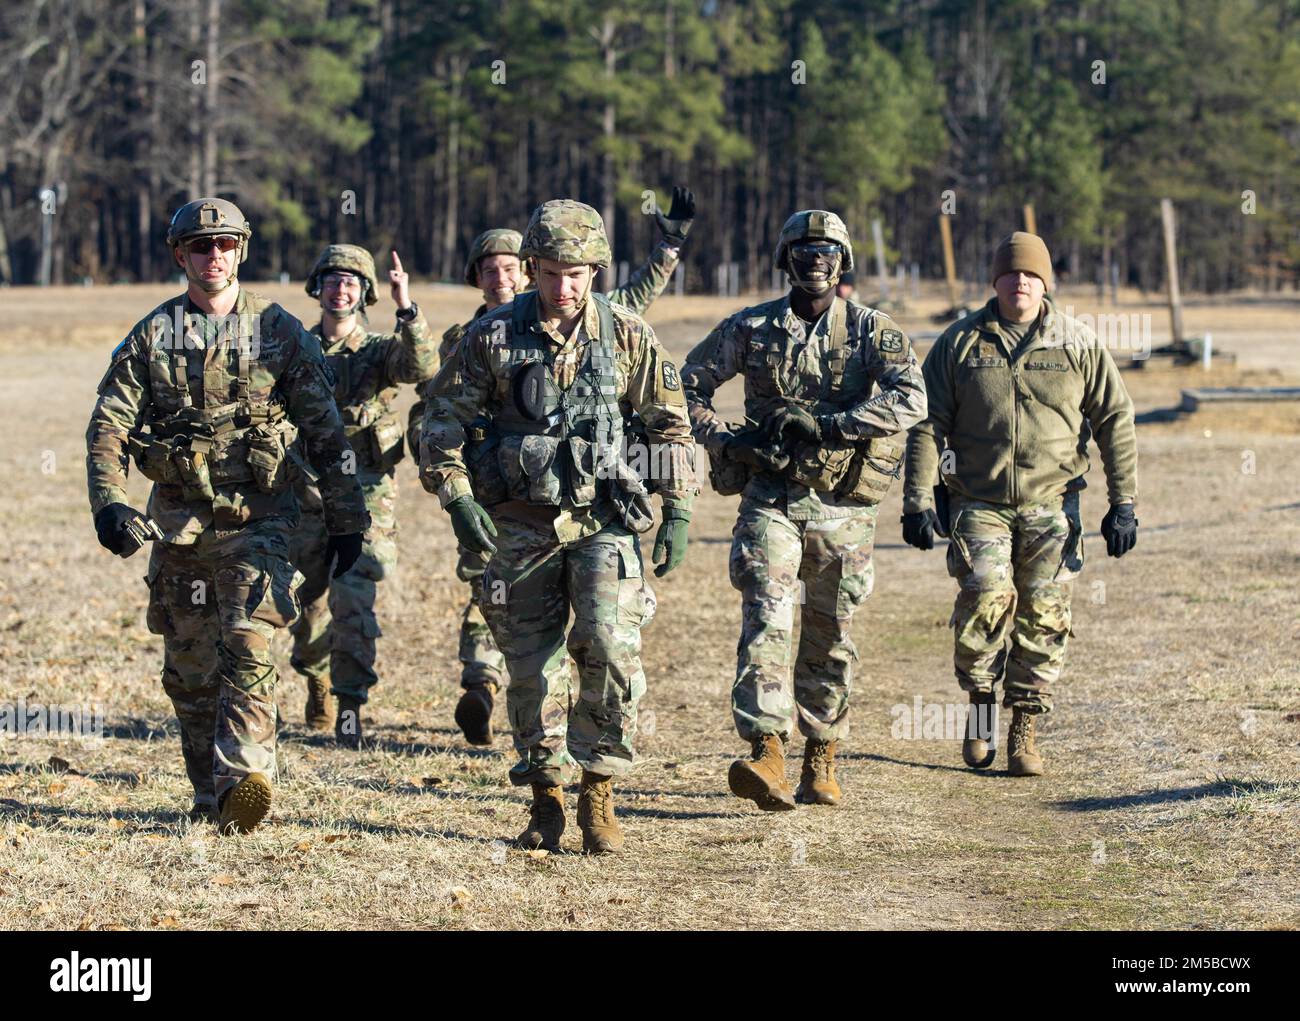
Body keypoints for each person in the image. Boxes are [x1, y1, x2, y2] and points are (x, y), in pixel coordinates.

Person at [420, 199, 697, 854]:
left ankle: (599, 786)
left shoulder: (627, 334)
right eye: (550, 273)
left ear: (596, 271)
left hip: (603, 519)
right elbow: (441, 421)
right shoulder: (492, 335)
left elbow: (669, 423)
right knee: (530, 664)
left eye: (576, 274)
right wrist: (458, 497)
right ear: (531, 268)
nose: (563, 288)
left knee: (609, 645)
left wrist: (678, 507)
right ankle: (545, 792)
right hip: (519, 523)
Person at [86, 198, 367, 833]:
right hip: (179, 524)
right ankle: (208, 793)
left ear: (241, 250)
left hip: (261, 518)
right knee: (191, 673)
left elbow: (325, 433)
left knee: (247, 640)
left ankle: (244, 775)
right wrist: (110, 503)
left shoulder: (279, 330)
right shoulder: (153, 335)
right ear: (179, 255)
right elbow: (108, 428)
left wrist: (347, 517)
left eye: (224, 244)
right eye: (199, 246)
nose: (213, 255)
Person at [682, 210, 926, 810]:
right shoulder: (751, 327)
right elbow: (684, 387)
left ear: (843, 263)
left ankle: (822, 755)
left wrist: (833, 425)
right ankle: (767, 749)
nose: (816, 262)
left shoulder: (870, 329)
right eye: (804, 251)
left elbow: (911, 398)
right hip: (769, 498)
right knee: (766, 613)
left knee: (831, 629)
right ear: (784, 260)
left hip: (843, 508)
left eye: (827, 253)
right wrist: (729, 441)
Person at [901, 231, 1138, 776]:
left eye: (1032, 274)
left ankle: (1025, 726)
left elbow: (1114, 419)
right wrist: (916, 500)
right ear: (996, 281)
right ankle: (982, 707)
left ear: (1045, 283)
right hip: (977, 501)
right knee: (985, 600)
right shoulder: (960, 342)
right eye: (1011, 273)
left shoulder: (1077, 342)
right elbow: (927, 423)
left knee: (1045, 615)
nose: (1021, 282)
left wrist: (1123, 502)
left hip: (1052, 502)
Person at [287, 245, 437, 747]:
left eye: (351, 282)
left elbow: (421, 366)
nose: (341, 289)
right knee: (307, 604)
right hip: (308, 487)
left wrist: (406, 306)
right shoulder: (297, 346)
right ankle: (316, 679)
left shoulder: (378, 349)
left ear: (365, 293)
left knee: (353, 596)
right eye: (332, 280)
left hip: (367, 487)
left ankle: (350, 706)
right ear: (317, 288)